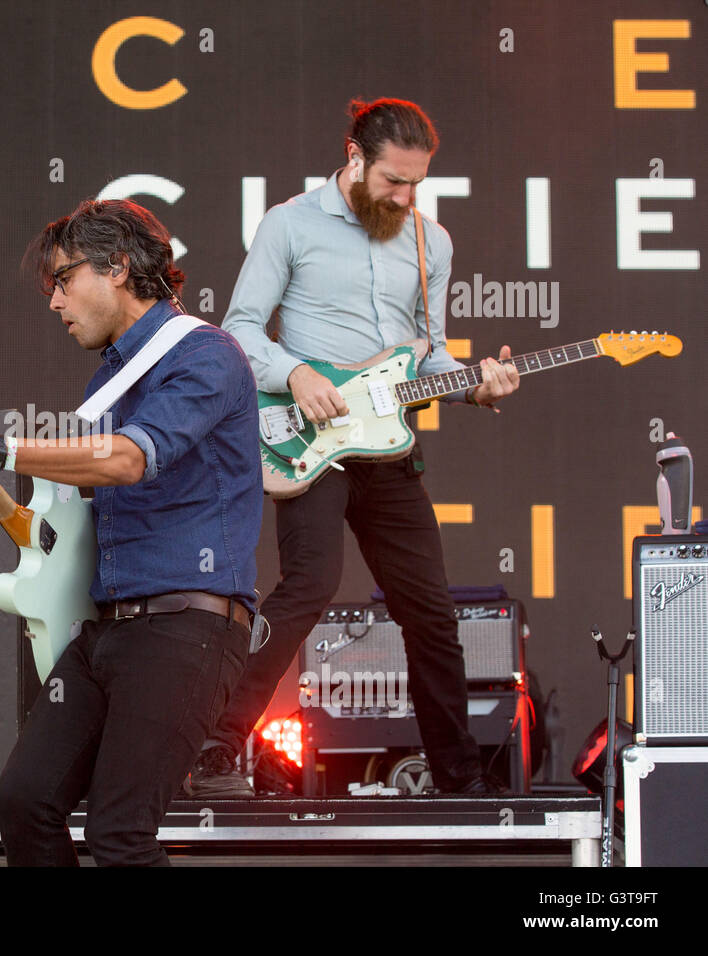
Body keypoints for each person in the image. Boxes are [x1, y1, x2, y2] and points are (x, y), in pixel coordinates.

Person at [190, 99, 520, 797]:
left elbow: (427, 361)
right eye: (392, 181)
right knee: (307, 587)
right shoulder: (290, 224)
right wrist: (297, 373)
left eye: (415, 184)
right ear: (354, 156)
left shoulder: (432, 242)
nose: (404, 197)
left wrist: (476, 386)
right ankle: (215, 747)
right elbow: (239, 332)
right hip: (310, 438)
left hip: (390, 447)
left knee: (429, 609)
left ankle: (460, 780)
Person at [0, 199, 263, 864]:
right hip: (106, 629)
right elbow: (61, 514)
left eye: (62, 280)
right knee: (25, 802)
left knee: (119, 835)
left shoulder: (207, 353)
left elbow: (132, 458)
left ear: (117, 267)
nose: (53, 301)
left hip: (186, 630)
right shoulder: (111, 375)